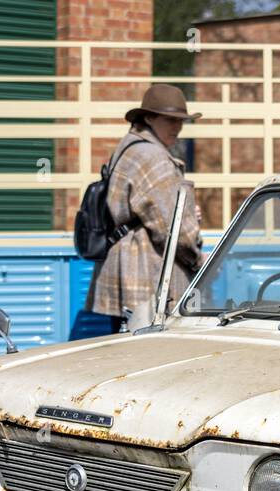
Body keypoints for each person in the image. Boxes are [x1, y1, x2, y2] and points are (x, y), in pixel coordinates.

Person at [85, 84, 204, 331]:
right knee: (151, 358)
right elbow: (173, 229)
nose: (178, 127)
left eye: (180, 121)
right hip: (146, 277)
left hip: (125, 270)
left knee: (126, 355)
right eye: (170, 120)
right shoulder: (152, 157)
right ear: (149, 118)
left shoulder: (128, 148)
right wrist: (197, 259)